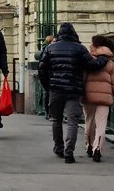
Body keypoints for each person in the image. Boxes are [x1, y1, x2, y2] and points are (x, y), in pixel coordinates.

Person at [38, 22, 109, 163]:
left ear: (60, 33)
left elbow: (42, 69)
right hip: (74, 91)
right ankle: (69, 153)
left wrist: (49, 86)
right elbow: (92, 65)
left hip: (55, 90)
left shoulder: (50, 48)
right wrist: (103, 58)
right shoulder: (79, 49)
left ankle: (59, 148)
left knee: (56, 120)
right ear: (74, 33)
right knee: (72, 122)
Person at [82, 35, 114, 162]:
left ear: (96, 46)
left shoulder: (88, 61)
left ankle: (89, 146)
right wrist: (110, 93)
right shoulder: (111, 64)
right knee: (101, 125)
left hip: (89, 96)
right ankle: (97, 148)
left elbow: (83, 79)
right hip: (104, 98)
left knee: (89, 123)